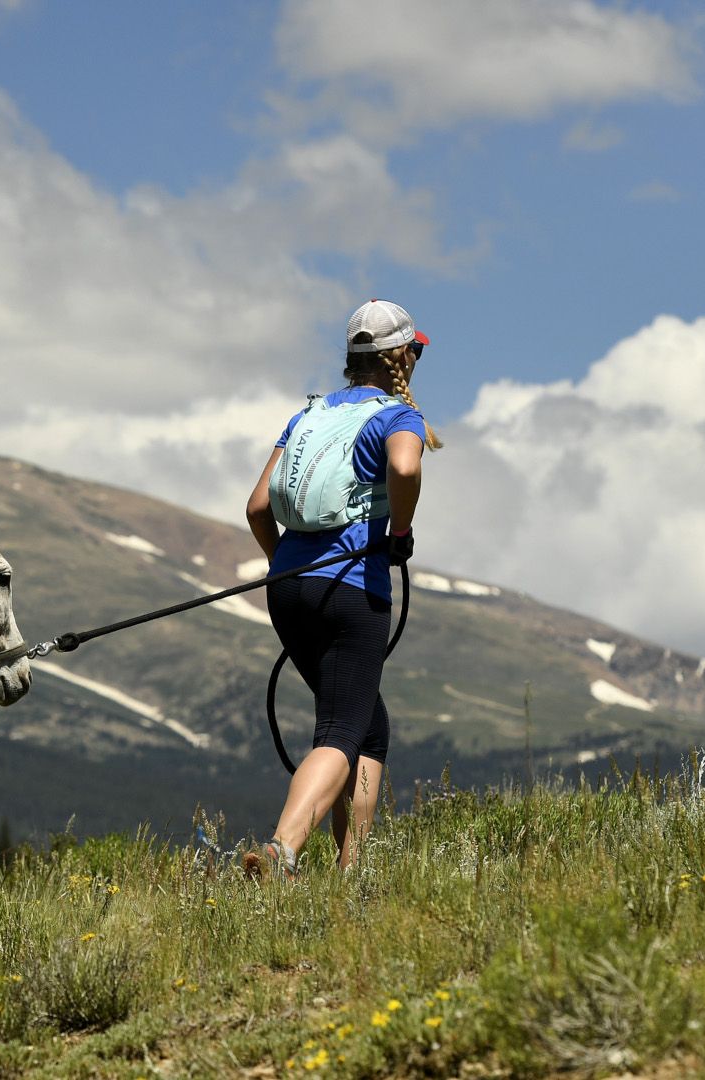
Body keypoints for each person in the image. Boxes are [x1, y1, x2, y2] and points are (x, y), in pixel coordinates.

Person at [243, 298, 430, 876]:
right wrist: (399, 532)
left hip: (288, 589)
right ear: (403, 356)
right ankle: (283, 850)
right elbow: (404, 470)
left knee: (368, 727)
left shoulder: (308, 416)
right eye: (415, 351)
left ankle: (352, 876)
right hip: (352, 588)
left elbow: (256, 507)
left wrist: (286, 567)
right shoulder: (397, 418)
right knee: (341, 730)